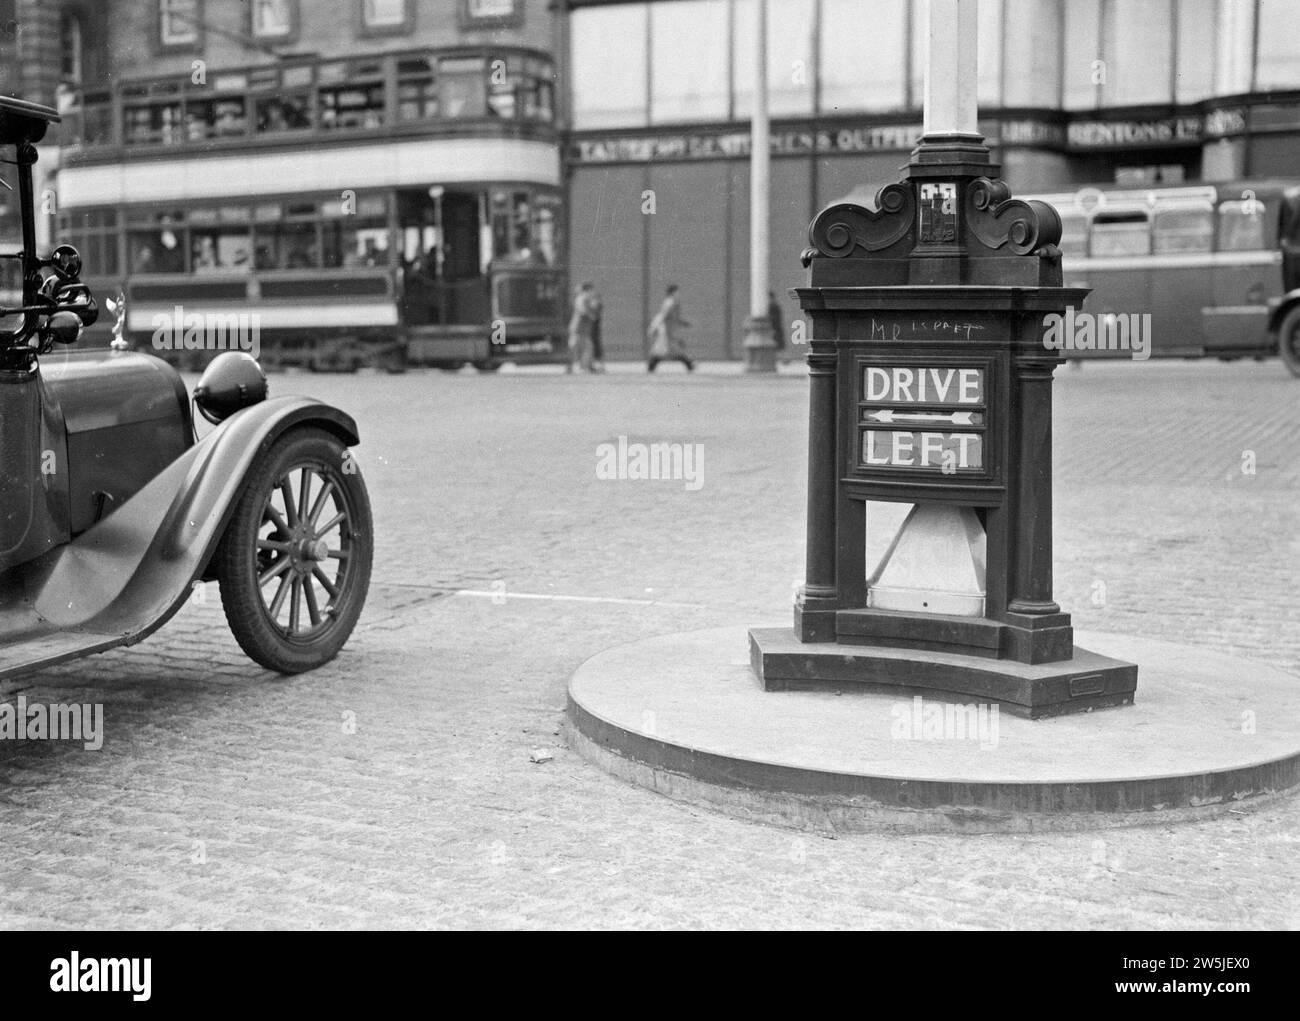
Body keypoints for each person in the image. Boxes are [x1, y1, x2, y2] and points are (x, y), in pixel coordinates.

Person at [647, 284, 694, 372]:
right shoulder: (669, 303)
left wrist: (683, 323)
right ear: (672, 293)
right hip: (665, 331)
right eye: (677, 292)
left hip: (669, 330)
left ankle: (689, 364)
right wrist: (655, 327)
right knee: (664, 350)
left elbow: (674, 317)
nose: (679, 294)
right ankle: (689, 365)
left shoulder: (673, 303)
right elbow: (662, 315)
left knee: (663, 351)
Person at [568, 281, 598, 373]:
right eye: (592, 290)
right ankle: (579, 367)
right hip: (579, 327)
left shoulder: (584, 298)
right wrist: (591, 315)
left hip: (582, 328)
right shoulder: (583, 297)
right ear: (588, 290)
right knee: (580, 347)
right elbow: (582, 310)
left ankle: (582, 367)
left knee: (584, 347)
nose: (593, 292)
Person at [588, 286, 606, 372]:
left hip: (594, 330)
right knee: (594, 348)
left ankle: (598, 366)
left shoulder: (597, 305)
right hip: (592, 330)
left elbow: (594, 312)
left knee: (596, 348)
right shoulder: (595, 305)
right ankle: (595, 365)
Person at [768, 290, 786, 362]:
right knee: (778, 343)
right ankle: (781, 358)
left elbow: (776, 319)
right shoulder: (775, 306)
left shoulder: (773, 307)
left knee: (777, 343)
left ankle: (781, 358)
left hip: (775, 328)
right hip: (776, 328)